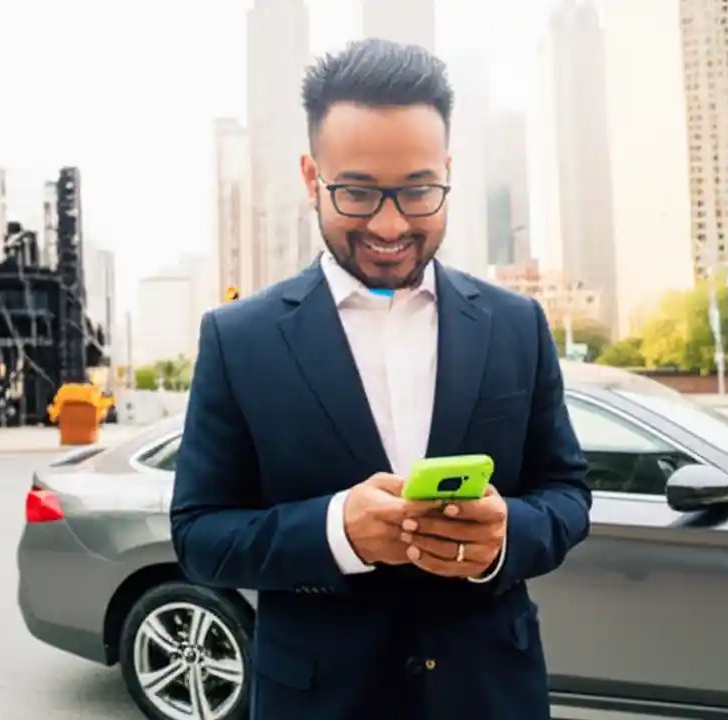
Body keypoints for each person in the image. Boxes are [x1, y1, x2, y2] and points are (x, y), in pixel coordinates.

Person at [170, 37, 592, 720]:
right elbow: (199, 536)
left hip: (489, 695)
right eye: (357, 193)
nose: (390, 225)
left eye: (418, 191)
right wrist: (336, 531)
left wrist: (502, 537)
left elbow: (567, 495)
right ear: (312, 178)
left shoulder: (517, 325)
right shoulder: (237, 339)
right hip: (320, 702)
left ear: (447, 170)